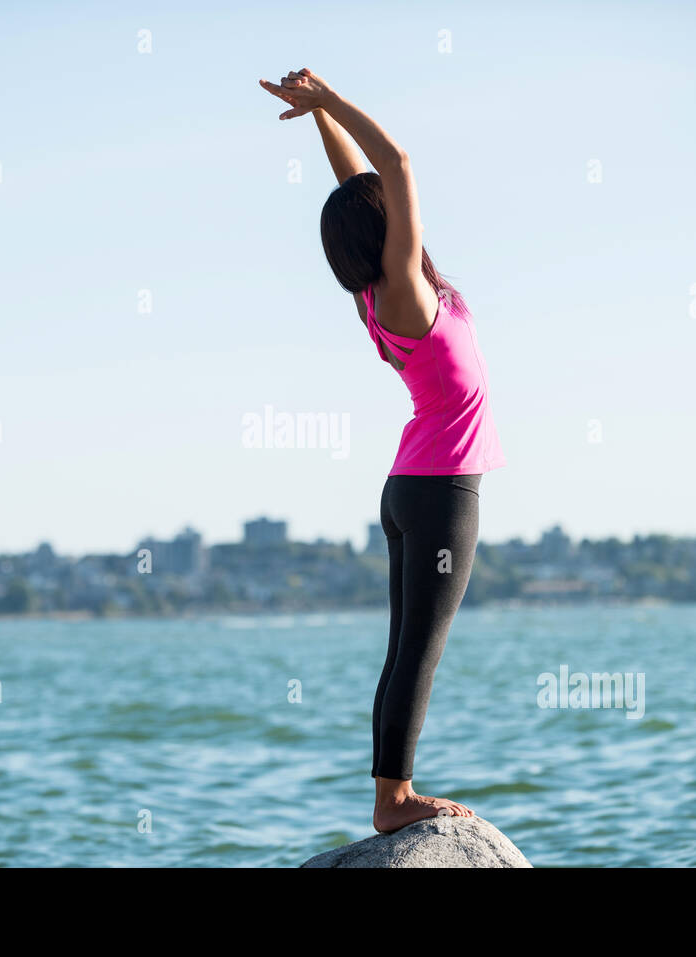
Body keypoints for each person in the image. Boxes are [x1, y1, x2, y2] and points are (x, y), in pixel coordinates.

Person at [259, 69, 507, 833]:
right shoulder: (401, 291)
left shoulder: (379, 293)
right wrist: (331, 98)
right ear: (385, 233)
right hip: (438, 492)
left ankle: (388, 792)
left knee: (404, 649)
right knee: (417, 653)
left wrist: (317, 122)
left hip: (411, 485)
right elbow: (393, 168)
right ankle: (393, 800)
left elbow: (363, 181)